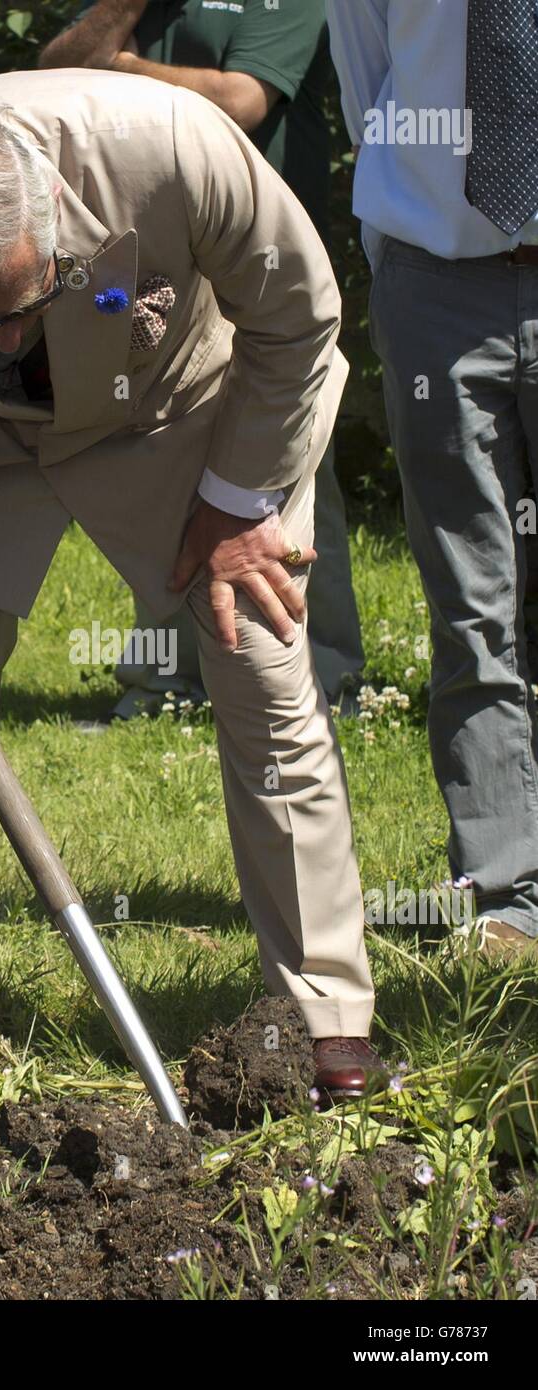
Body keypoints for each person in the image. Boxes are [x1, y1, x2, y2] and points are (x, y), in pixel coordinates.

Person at [0, 68, 384, 1100]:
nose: (10, 339)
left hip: (175, 401)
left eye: (19, 306)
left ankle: (321, 1016)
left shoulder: (174, 151)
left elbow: (295, 316)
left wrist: (238, 503)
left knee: (258, 653)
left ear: (53, 216)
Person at [40, 0, 364, 714]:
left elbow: (241, 100)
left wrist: (120, 68)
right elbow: (53, 75)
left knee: (296, 463)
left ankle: (325, 672)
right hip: (153, 265)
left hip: (263, 266)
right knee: (154, 458)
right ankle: (166, 679)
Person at [327, 0, 538, 957]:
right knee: (472, 599)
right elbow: (367, 85)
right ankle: (507, 896)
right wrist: (399, 256)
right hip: (438, 285)